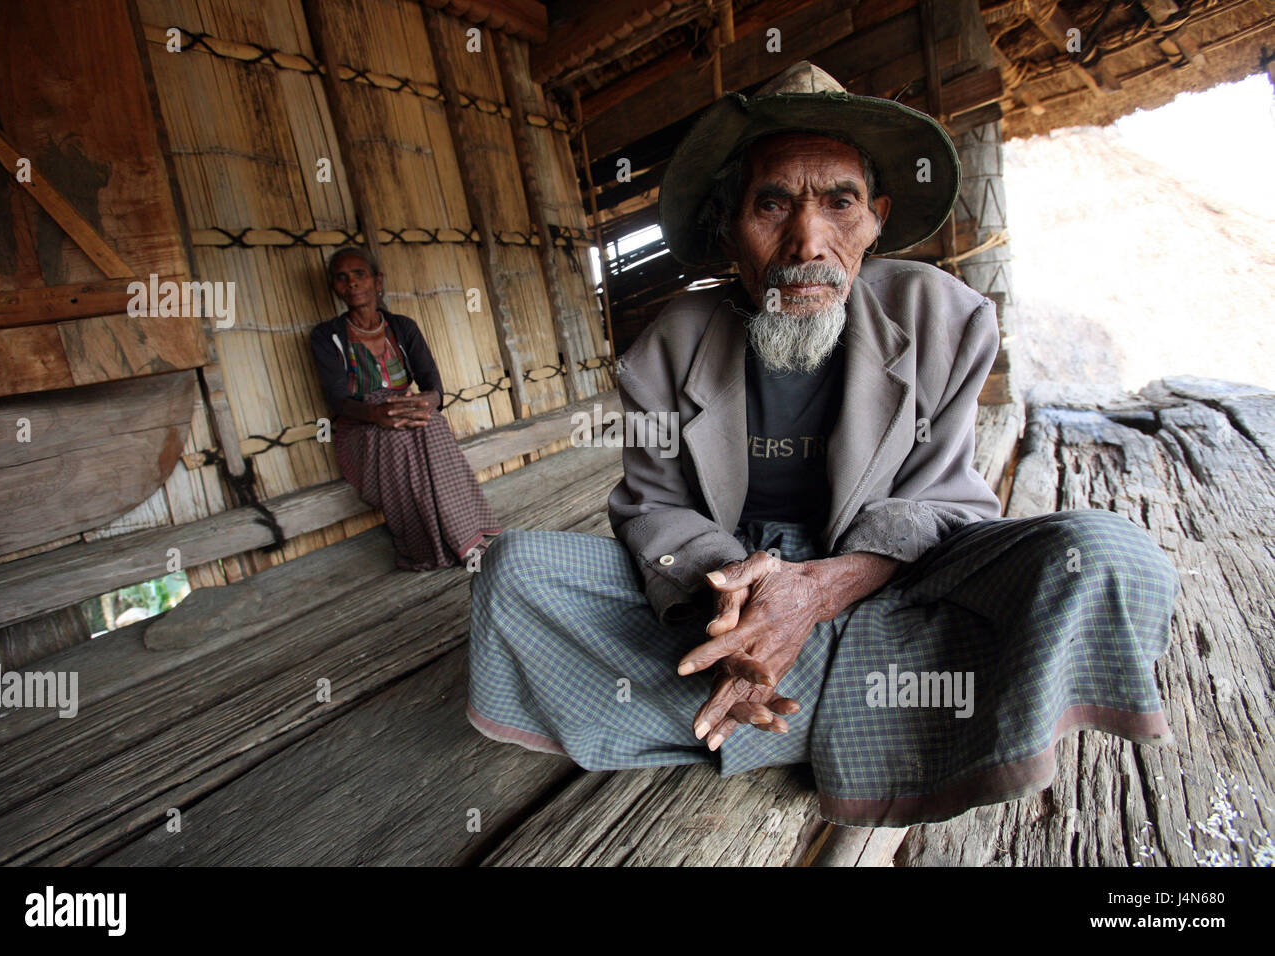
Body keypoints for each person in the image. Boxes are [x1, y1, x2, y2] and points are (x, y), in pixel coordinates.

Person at [466, 62, 1180, 826]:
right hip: (729, 583)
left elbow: (938, 500)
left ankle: (754, 705)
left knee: (1110, 560)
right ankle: (880, 712)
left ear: (874, 219)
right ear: (731, 229)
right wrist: (741, 606)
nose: (808, 240)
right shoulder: (667, 347)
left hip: (893, 578)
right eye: (772, 205)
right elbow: (655, 506)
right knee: (513, 575)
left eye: (840, 204)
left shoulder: (946, 317)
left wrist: (815, 595)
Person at [310, 247, 500, 571]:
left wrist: (425, 403)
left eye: (359, 274)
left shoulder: (403, 327)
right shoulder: (326, 337)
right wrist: (377, 415)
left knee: (435, 426)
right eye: (342, 278)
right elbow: (338, 400)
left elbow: (434, 388)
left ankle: (464, 535)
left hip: (408, 409)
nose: (352, 284)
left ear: (377, 280)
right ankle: (430, 545)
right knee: (398, 441)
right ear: (334, 287)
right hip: (361, 426)